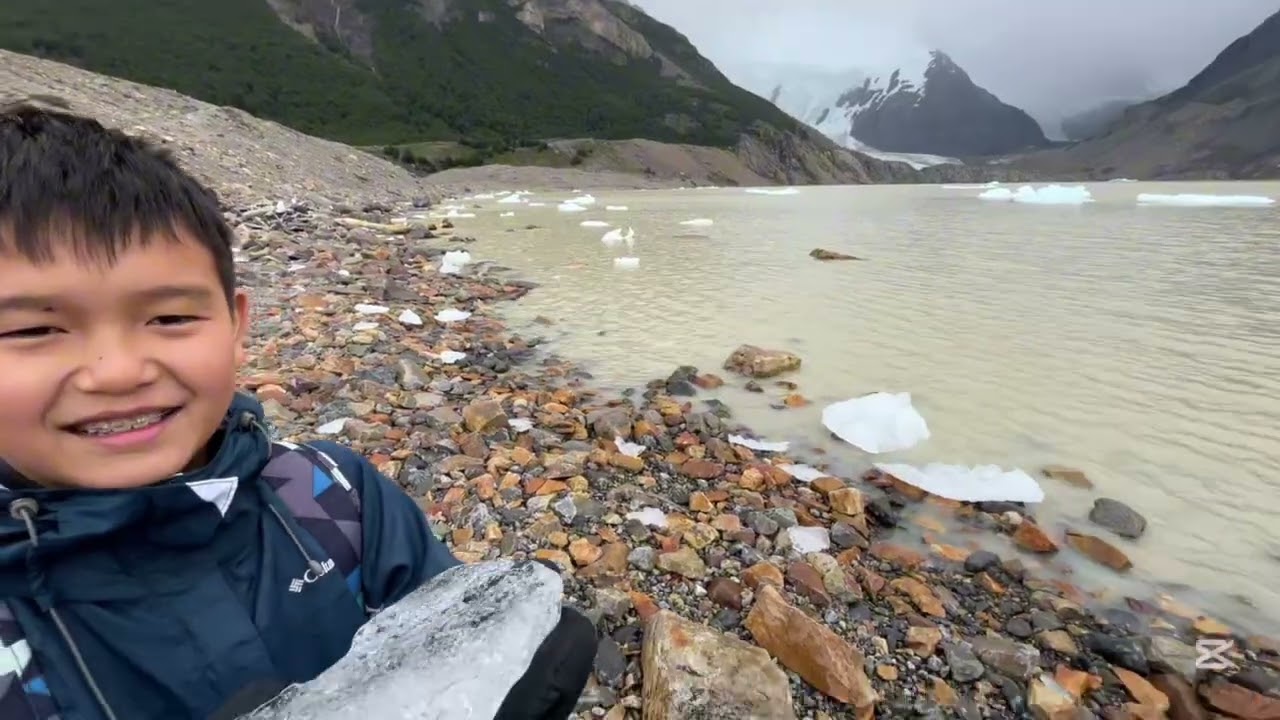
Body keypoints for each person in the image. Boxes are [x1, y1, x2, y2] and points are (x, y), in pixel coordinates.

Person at [0, 102, 596, 720]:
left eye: (170, 318)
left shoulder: (334, 497)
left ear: (237, 325)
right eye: (32, 330)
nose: (119, 370)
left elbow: (448, 646)